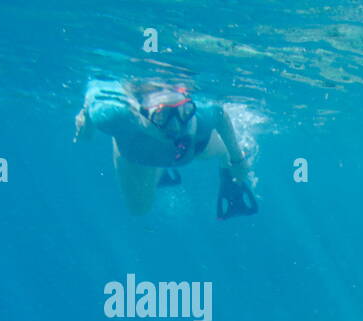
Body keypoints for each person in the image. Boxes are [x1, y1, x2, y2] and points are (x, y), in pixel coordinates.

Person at [74, 80, 257, 218]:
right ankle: (157, 171)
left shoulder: (197, 121)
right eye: (162, 116)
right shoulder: (116, 117)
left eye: (184, 112)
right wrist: (86, 123)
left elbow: (220, 115)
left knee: (223, 148)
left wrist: (236, 159)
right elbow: (92, 100)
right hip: (137, 154)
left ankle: (228, 177)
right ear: (141, 114)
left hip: (192, 149)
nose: (177, 127)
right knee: (139, 208)